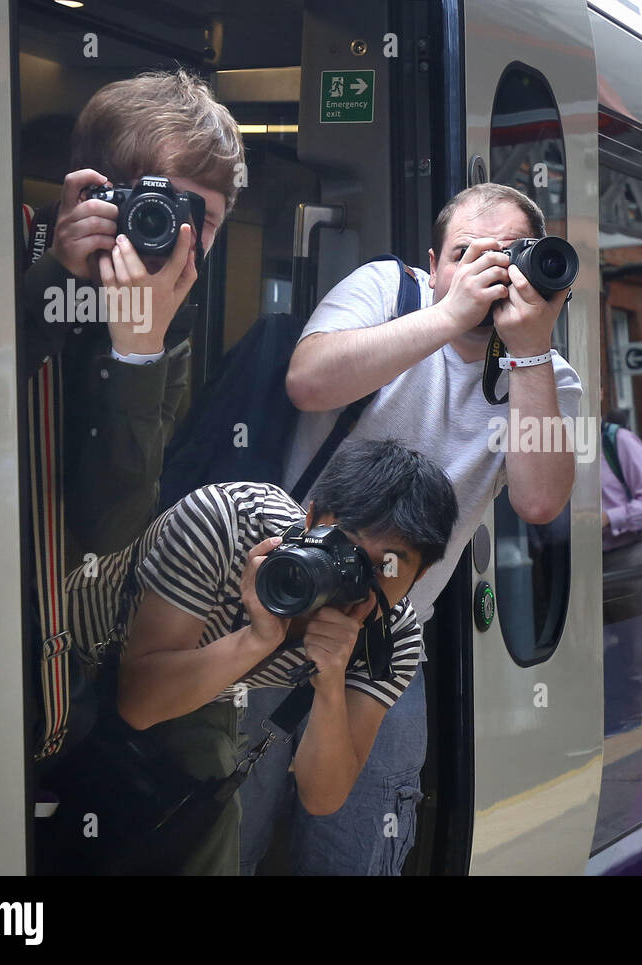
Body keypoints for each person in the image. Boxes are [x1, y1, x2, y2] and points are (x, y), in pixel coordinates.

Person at [239, 182, 581, 875]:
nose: (486, 270)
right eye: (465, 252)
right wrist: (449, 316)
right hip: (273, 613)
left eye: (508, 254)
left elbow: (542, 501)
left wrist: (531, 350)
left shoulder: (544, 374)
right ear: (433, 263)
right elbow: (308, 382)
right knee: (225, 838)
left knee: (353, 856)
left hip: (386, 648)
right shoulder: (387, 291)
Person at [71, 440, 458, 874]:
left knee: (205, 822)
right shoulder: (225, 523)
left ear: (420, 575)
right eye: (345, 548)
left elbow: (323, 796)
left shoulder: (392, 636)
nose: (355, 579)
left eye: (387, 566)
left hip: (190, 684)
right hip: (67, 659)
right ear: (311, 519)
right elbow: (139, 704)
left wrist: (330, 683)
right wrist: (258, 638)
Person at [21, 68, 242, 561]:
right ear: (93, 195)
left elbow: (110, 531)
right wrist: (55, 277)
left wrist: (138, 350)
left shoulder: (171, 329)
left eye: (199, 216)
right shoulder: (7, 248)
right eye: (153, 204)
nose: (172, 230)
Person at [601, 416, 642, 733]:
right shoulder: (551, 440)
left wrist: (608, 517)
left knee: (637, 644)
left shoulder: (617, 440)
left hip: (626, 556)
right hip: (574, 566)